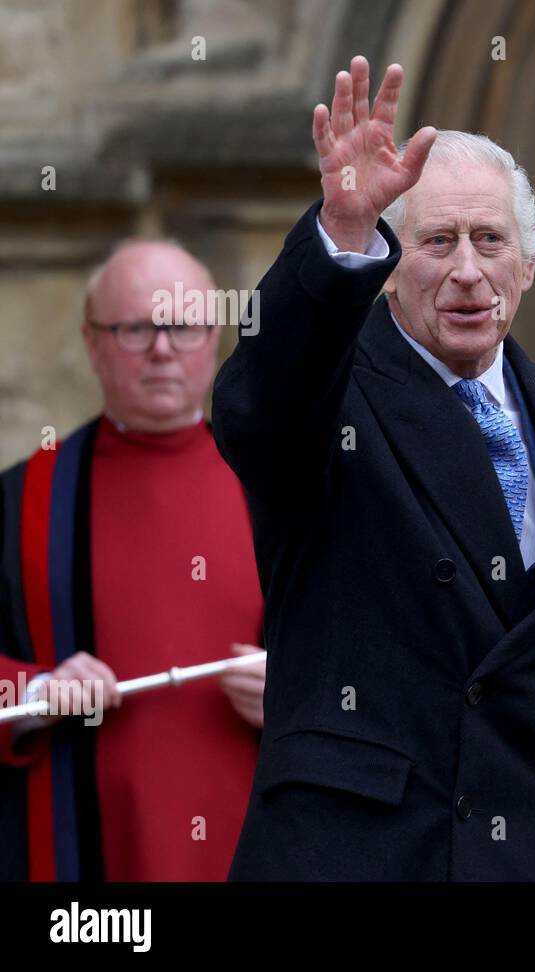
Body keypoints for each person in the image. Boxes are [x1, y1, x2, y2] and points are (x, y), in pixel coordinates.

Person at [212, 56, 535, 881]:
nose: (468, 272)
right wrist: (340, 232)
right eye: (437, 242)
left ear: (531, 261)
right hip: (365, 851)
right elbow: (254, 407)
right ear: (390, 261)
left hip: (532, 858)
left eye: (490, 240)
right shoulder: (332, 391)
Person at [0, 240, 266, 881]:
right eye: (136, 328)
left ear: (216, 335)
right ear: (92, 342)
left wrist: (305, 694)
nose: (162, 348)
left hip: (258, 844)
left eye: (183, 325)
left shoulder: (285, 488)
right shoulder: (20, 500)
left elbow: (388, 669)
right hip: (84, 865)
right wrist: (33, 692)